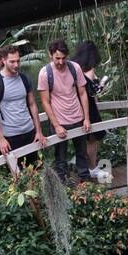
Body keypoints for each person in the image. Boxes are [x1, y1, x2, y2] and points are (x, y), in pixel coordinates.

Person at [37, 38, 92, 183]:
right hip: (59, 121)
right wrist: (56, 125)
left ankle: (86, 184)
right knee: (60, 157)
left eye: (63, 58)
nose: (61, 62)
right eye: (57, 58)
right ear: (50, 55)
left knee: (82, 153)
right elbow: (45, 101)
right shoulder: (45, 73)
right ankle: (64, 186)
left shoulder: (75, 68)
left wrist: (86, 118)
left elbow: (82, 93)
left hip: (78, 117)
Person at [0, 45, 45, 157]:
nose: (16, 65)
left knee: (36, 168)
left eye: (18, 61)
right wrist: (1, 139)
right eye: (12, 62)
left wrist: (39, 131)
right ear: (3, 60)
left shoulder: (24, 79)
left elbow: (32, 105)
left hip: (30, 131)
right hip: (10, 135)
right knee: (16, 172)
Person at [70, 40, 104, 169]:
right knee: (93, 139)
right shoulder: (89, 68)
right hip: (89, 106)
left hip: (76, 104)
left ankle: (83, 165)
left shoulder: (74, 67)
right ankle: (91, 167)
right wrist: (100, 84)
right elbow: (93, 90)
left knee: (84, 138)